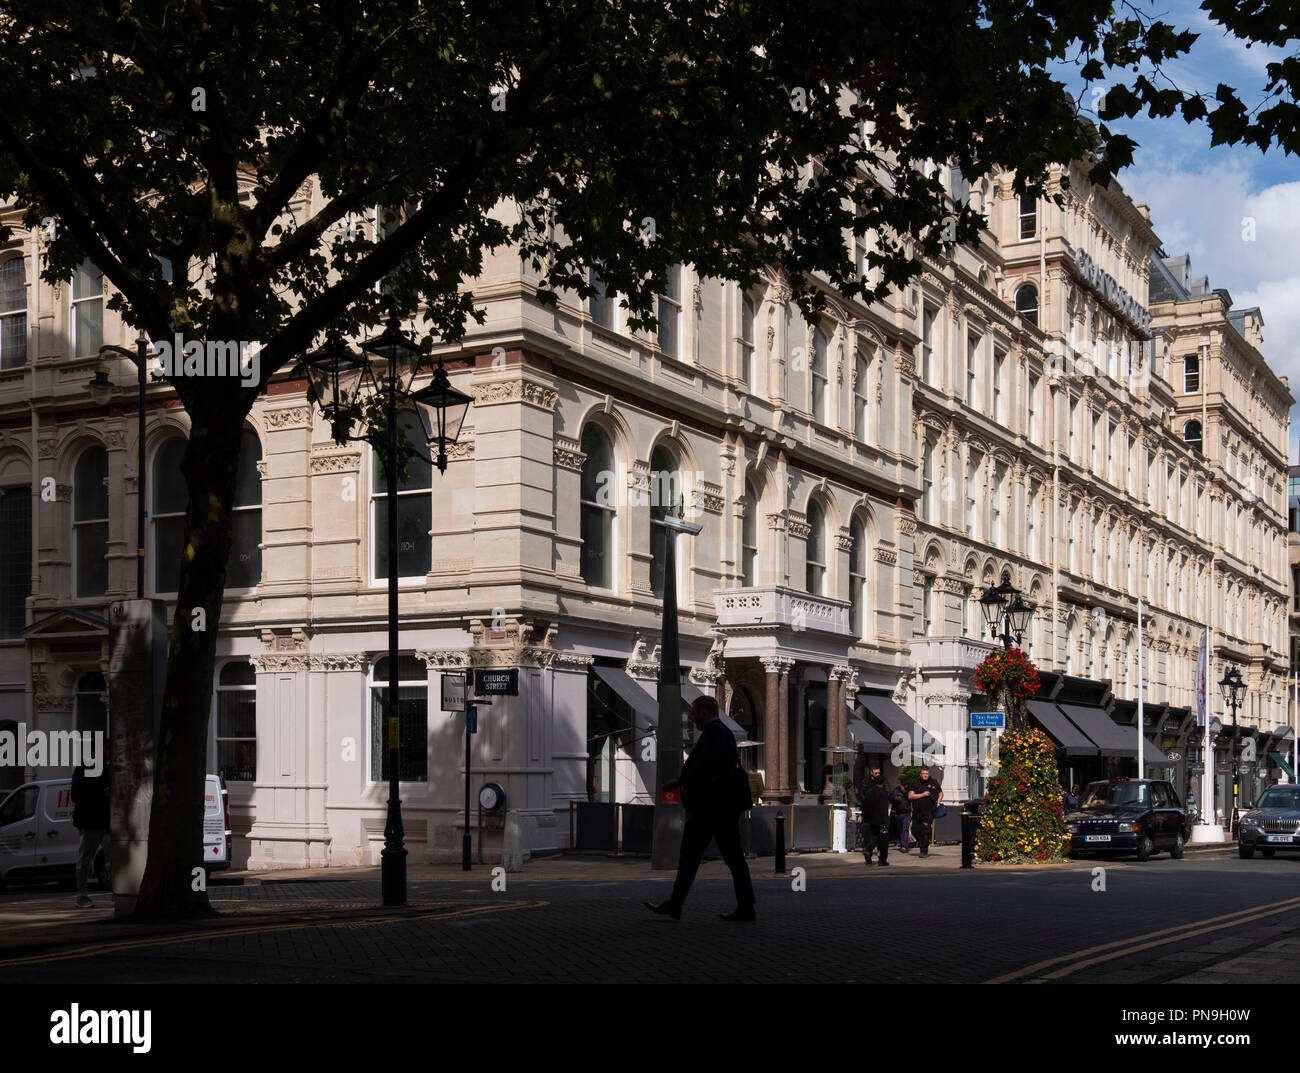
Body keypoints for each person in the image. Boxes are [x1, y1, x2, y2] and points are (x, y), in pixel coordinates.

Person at [646, 694, 756, 922]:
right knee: (732, 858)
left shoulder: (714, 732)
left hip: (710, 808)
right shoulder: (722, 733)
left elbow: (701, 765)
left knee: (691, 857)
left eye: (695, 713)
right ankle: (746, 906)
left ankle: (675, 905)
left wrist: (679, 782)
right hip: (721, 808)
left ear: (705, 712)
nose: (694, 719)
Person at [71, 763, 110, 908]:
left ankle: (116, 891)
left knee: (111, 858)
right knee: (85, 859)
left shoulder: (106, 768)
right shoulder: (82, 771)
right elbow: (75, 795)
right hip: (91, 822)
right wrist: (102, 793)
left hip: (103, 822)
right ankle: (81, 894)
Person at [907, 765, 943, 857]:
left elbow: (941, 793)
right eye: (923, 774)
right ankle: (922, 842)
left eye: (926, 773)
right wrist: (922, 795)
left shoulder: (934, 782)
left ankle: (924, 851)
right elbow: (910, 796)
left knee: (926, 831)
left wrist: (938, 802)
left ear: (929, 773)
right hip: (917, 812)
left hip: (929, 812)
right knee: (914, 830)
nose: (925, 775)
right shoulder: (915, 783)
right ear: (920, 774)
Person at [860, 772, 890, 866]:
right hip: (880, 819)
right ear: (883, 783)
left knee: (874, 837)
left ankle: (868, 852)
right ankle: (882, 859)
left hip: (870, 819)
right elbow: (884, 808)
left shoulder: (869, 792)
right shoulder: (883, 793)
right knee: (883, 840)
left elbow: (864, 805)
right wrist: (886, 822)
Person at [892, 775, 913, 852]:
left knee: (905, 829)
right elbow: (891, 798)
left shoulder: (909, 790)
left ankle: (905, 846)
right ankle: (902, 844)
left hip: (906, 813)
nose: (905, 785)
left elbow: (909, 797)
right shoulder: (896, 789)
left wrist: (904, 791)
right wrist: (895, 798)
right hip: (897, 813)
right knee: (900, 830)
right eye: (904, 784)